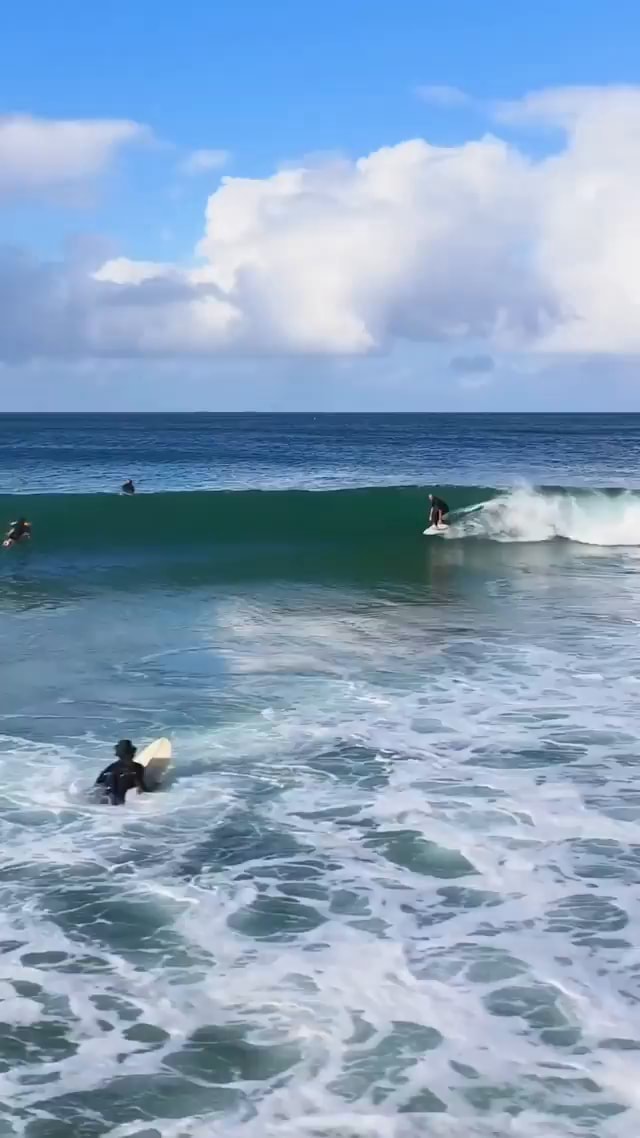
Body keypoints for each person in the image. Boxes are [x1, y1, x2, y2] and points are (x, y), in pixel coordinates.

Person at [95, 739, 146, 805]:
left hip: (115, 803)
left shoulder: (138, 767)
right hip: (113, 800)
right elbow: (141, 787)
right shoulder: (113, 770)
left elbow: (141, 786)